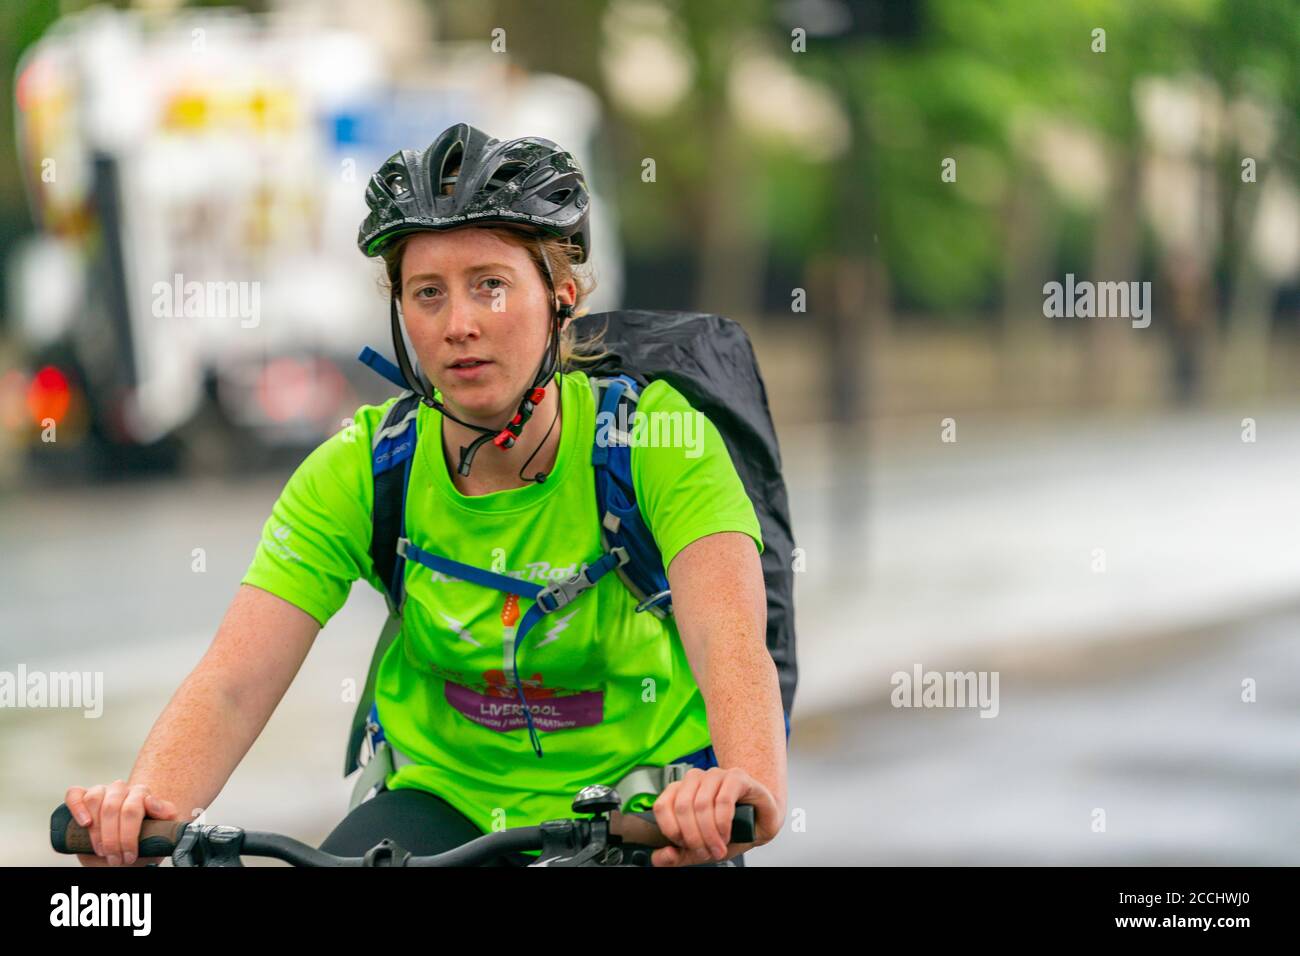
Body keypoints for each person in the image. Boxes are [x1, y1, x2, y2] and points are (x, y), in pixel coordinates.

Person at [64, 123, 787, 868]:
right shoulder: (365, 466)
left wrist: (746, 787)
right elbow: (233, 684)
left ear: (561, 297)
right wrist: (142, 809)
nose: (459, 325)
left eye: (491, 285)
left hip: (643, 810)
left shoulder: (658, 441)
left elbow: (727, 640)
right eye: (428, 293)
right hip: (438, 807)